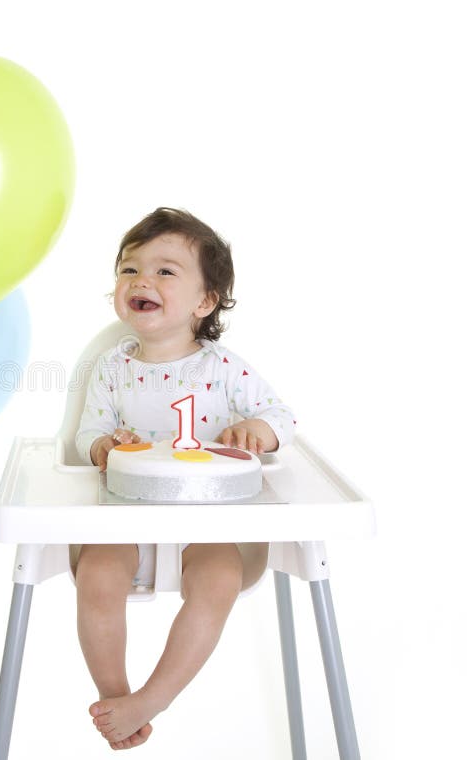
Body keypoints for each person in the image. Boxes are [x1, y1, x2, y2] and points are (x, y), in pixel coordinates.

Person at [74, 207, 295, 750]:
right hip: (127, 519)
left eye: (165, 271)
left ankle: (153, 699)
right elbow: (88, 434)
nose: (141, 280)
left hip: (209, 527)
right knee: (97, 574)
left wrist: (255, 430)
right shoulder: (111, 366)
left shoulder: (225, 370)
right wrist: (103, 446)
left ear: (205, 301)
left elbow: (283, 418)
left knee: (217, 580)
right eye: (129, 269)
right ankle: (115, 695)